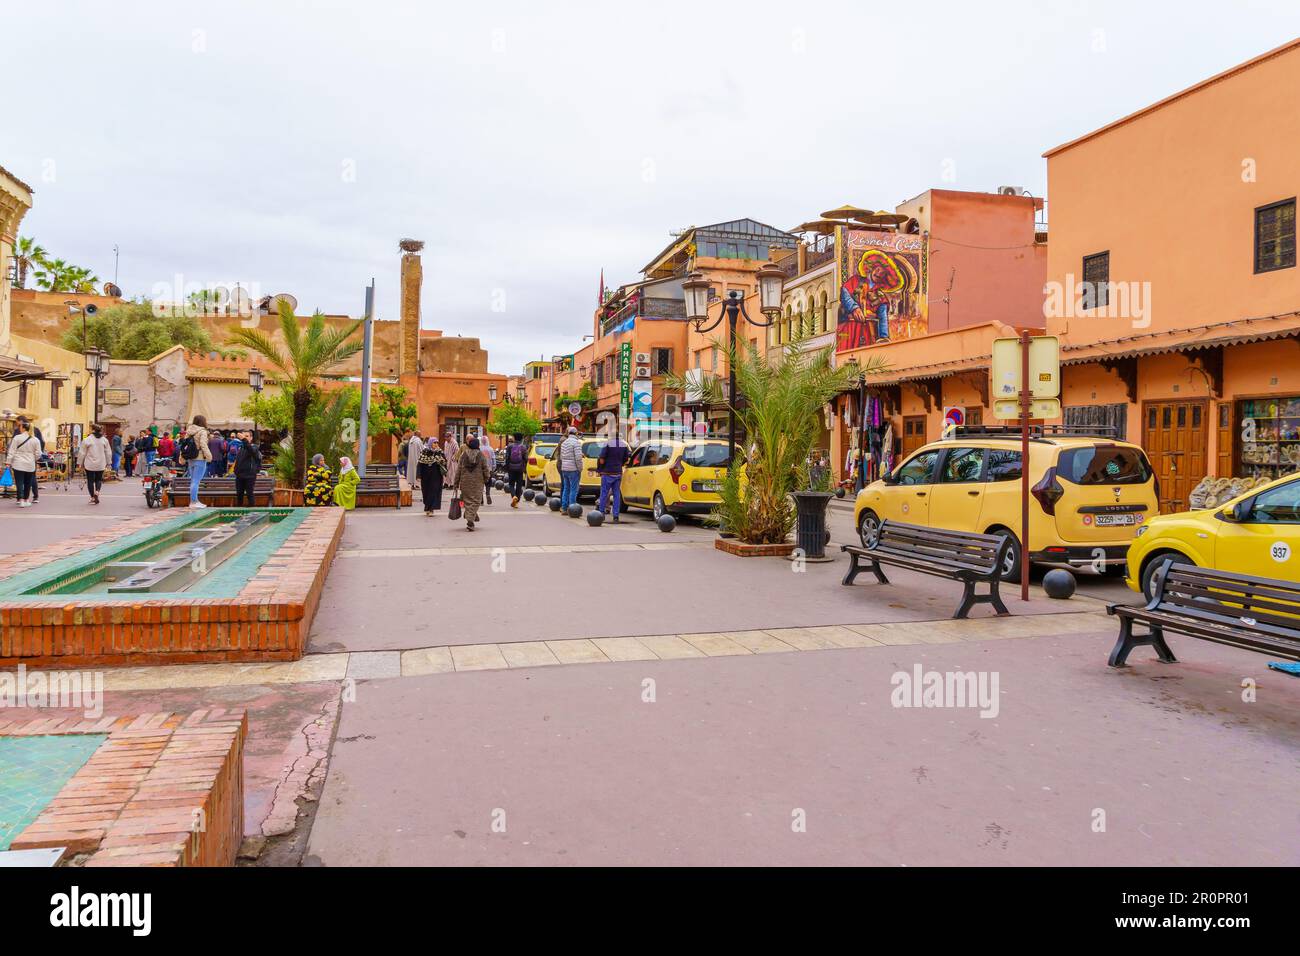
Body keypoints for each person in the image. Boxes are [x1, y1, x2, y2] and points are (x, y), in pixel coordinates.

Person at [455, 436, 490, 531]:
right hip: (478, 482)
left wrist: (456, 482)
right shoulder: (481, 455)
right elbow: (485, 469)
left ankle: (470, 515)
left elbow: (458, 469)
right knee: (476, 501)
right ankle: (470, 520)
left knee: (467, 500)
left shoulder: (463, 455)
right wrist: (487, 478)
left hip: (465, 481)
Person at [5, 419, 40, 508]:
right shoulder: (35, 440)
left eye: (20, 427)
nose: (19, 428)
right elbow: (38, 454)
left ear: (24, 428)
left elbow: (11, 451)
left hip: (18, 463)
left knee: (19, 482)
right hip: (30, 464)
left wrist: (8, 462)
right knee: (28, 483)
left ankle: (20, 500)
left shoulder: (17, 438)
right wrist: (33, 459)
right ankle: (26, 500)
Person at [596, 432, 629, 522]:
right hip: (618, 472)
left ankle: (601, 513)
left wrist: (601, 468)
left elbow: (602, 460)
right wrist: (619, 464)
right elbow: (626, 459)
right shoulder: (624, 445)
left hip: (607, 473)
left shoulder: (607, 444)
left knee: (604, 493)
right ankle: (616, 516)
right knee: (616, 495)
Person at [181, 415, 212, 508]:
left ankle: (194, 500)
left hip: (190, 458)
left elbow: (184, 445)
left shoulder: (189, 431)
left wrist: (181, 457)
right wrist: (209, 456)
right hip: (200, 458)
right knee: (196, 481)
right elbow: (203, 444)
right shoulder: (203, 431)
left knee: (193, 480)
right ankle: (194, 501)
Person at [78, 425, 112, 505]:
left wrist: (80, 463)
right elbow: (108, 452)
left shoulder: (87, 440)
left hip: (89, 463)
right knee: (98, 479)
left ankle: (92, 497)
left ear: (92, 430)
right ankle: (97, 491)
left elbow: (82, 453)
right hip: (101, 463)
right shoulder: (104, 440)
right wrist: (109, 462)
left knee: (90, 480)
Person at [416, 438, 447, 515]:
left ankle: (431, 509)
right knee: (426, 492)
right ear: (430, 443)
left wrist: (442, 462)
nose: (436, 444)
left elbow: (445, 462)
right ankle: (427, 507)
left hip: (436, 476)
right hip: (425, 476)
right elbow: (420, 464)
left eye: (437, 442)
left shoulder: (440, 452)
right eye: (434, 443)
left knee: (434, 491)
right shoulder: (424, 452)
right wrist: (418, 476)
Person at [16, 416, 42, 504]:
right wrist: (35, 457)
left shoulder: (18, 432)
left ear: (21, 422)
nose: (17, 425)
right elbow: (42, 443)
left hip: (18, 460)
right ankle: (35, 497)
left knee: (19, 480)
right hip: (31, 459)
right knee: (32, 478)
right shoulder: (36, 430)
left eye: (17, 423)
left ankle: (20, 498)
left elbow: (13, 446)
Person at [232, 430, 262, 506]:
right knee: (239, 494)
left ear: (251, 438)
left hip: (250, 475)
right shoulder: (241, 448)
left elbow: (250, 450)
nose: (244, 438)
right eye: (243, 436)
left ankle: (252, 512)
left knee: (249, 494)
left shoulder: (254, 447)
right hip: (239, 475)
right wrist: (236, 471)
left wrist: (244, 440)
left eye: (247, 436)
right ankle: (238, 512)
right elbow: (238, 460)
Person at [558, 426, 583, 511]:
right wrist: (580, 468)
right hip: (573, 469)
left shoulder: (564, 443)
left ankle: (564, 507)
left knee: (566, 488)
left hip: (564, 469)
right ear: (576, 433)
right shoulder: (576, 443)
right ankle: (572, 509)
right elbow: (578, 458)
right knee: (573, 489)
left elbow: (561, 457)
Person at [504, 433, 528, 507]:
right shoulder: (523, 447)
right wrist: (524, 467)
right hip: (520, 468)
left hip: (511, 468)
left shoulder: (510, 446)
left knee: (511, 484)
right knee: (519, 484)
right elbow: (526, 458)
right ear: (521, 439)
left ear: (514, 438)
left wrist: (507, 467)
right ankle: (517, 502)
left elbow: (507, 457)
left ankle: (514, 496)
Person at [480, 432, 496, 504]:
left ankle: (481, 498)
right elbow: (493, 459)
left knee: (481, 483)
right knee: (488, 483)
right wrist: (493, 467)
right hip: (488, 469)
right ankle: (488, 494)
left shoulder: (479, 449)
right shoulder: (491, 449)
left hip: (480, 469)